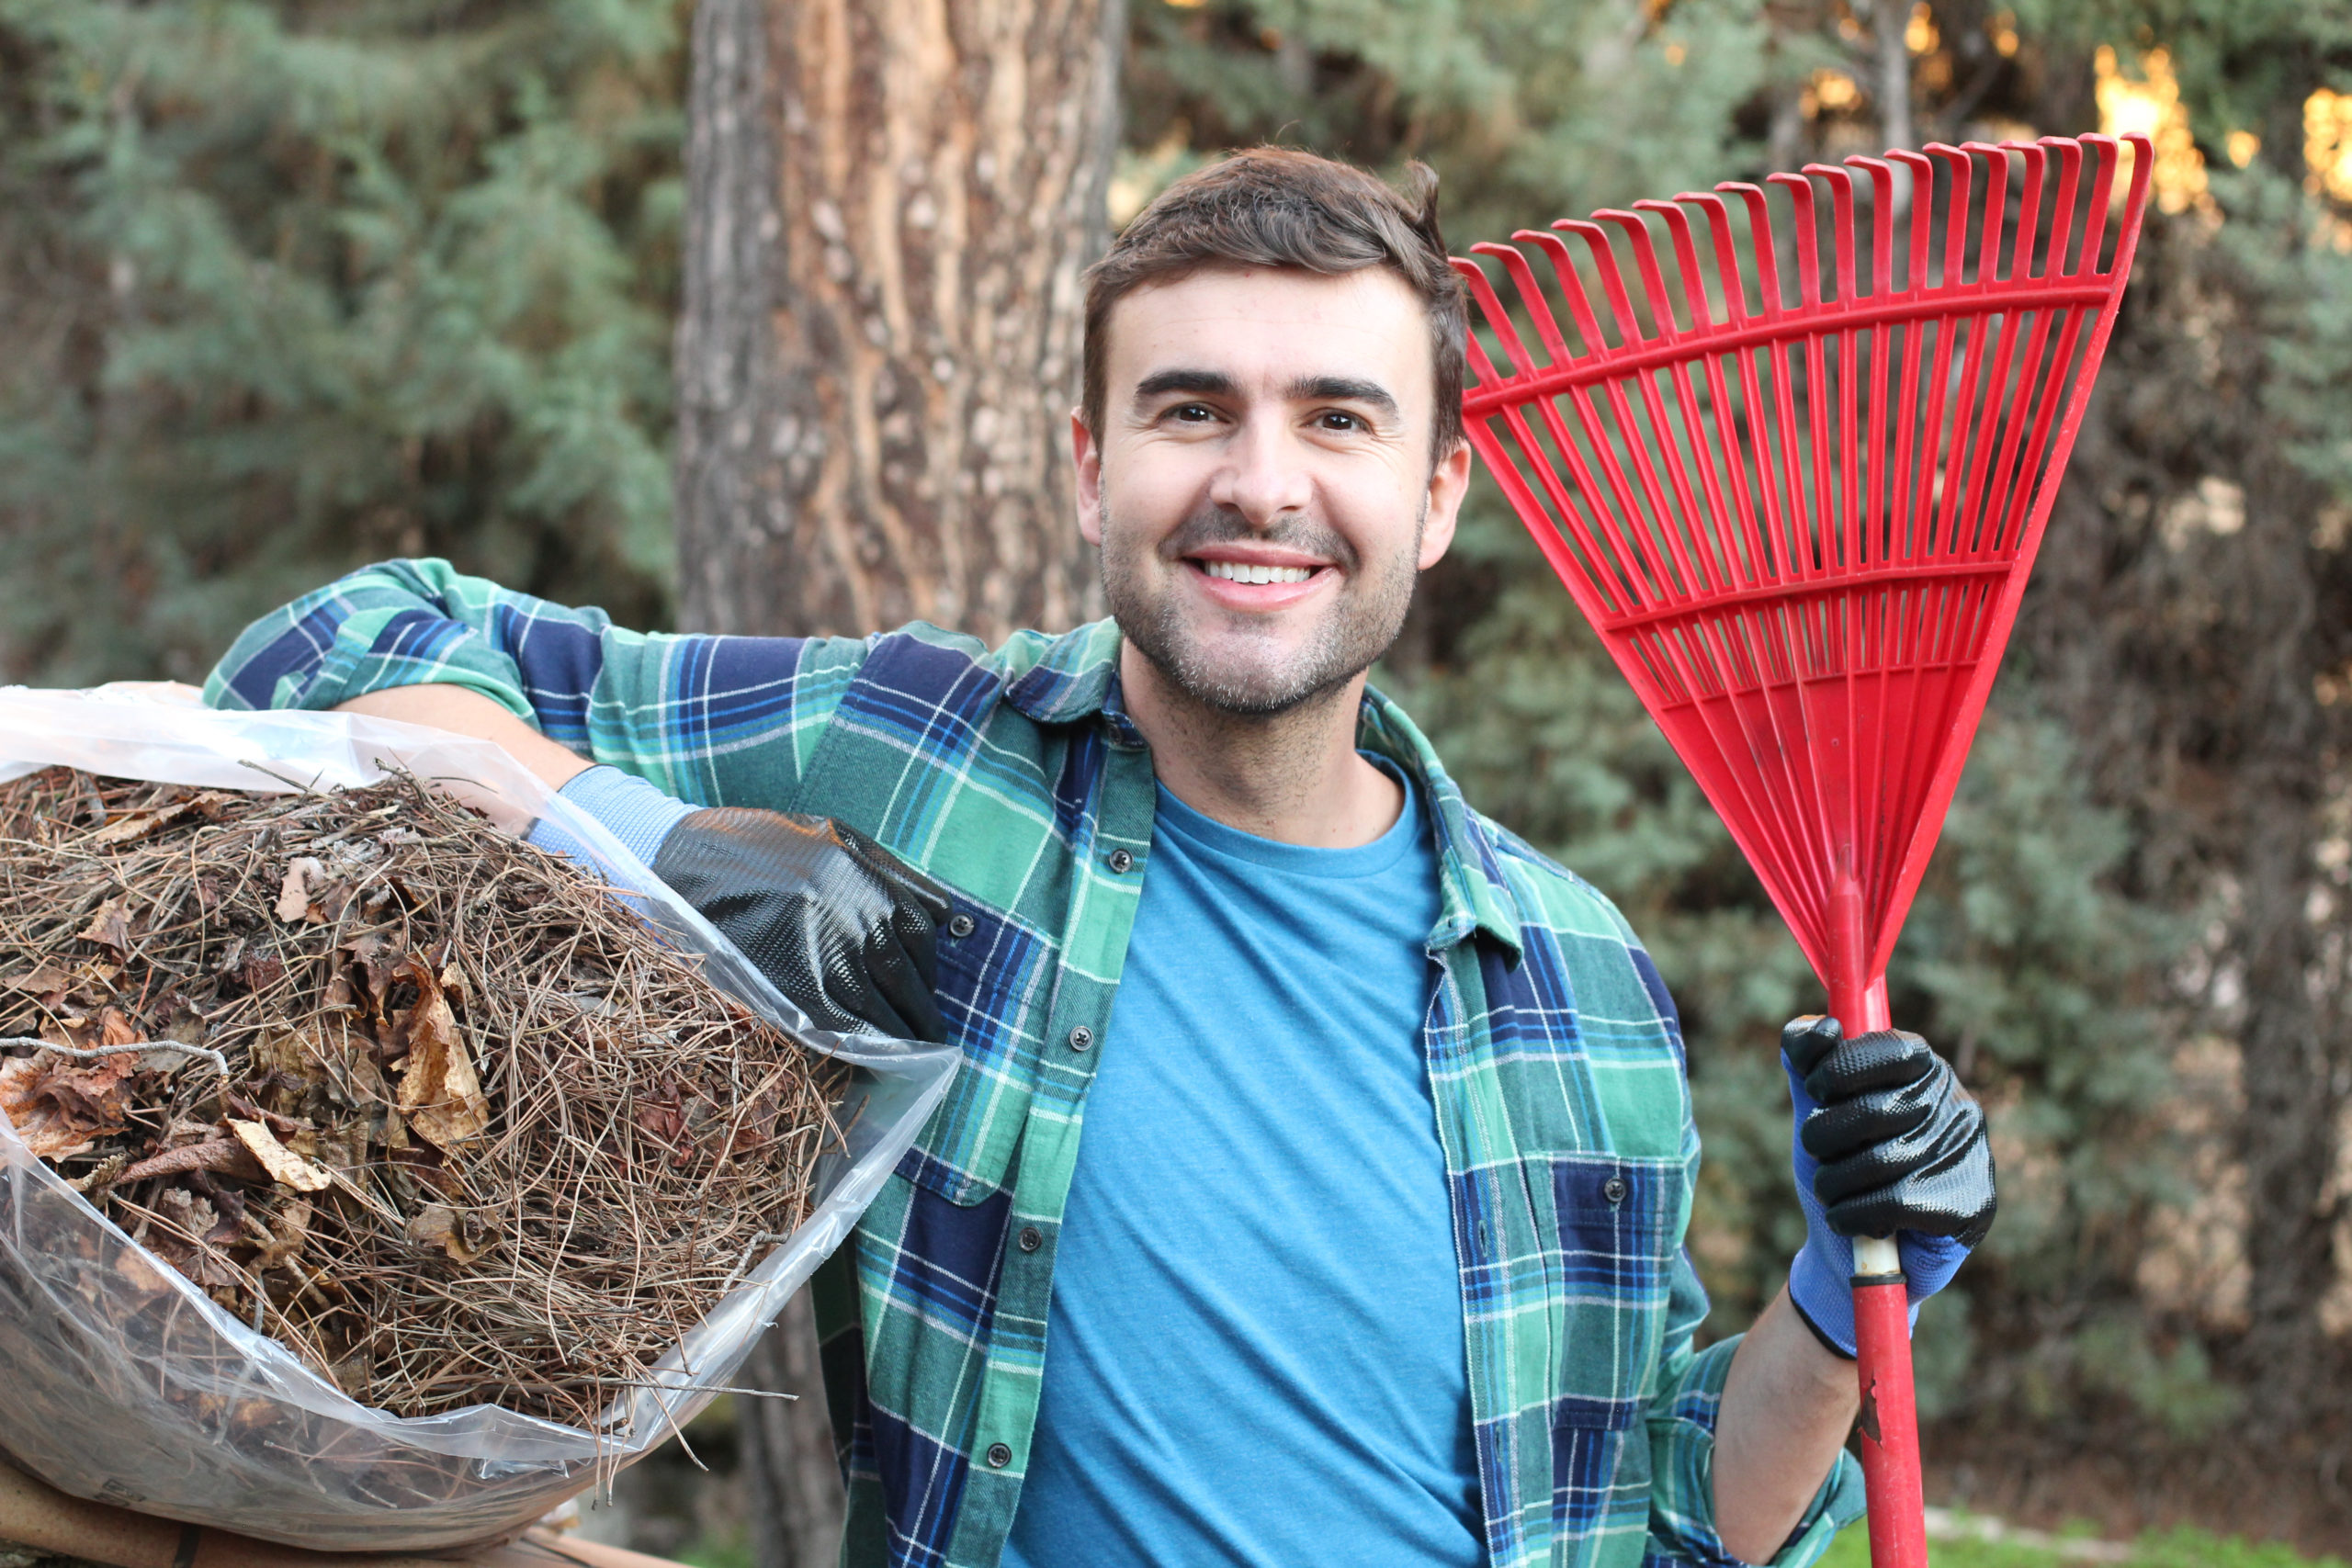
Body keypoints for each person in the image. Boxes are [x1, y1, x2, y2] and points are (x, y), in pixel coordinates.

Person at [205, 148, 1994, 1568]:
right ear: (1089, 466)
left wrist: (1842, 1297)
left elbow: (1671, 1519)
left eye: (1338, 418)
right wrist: (658, 842)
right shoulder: (914, 760)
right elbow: (336, 646)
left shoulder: (1574, 979)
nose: (1259, 481)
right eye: (1190, 408)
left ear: (1439, 496)